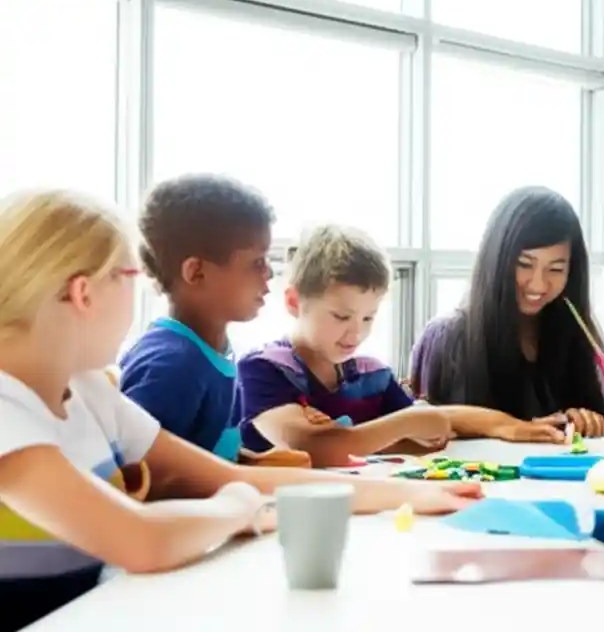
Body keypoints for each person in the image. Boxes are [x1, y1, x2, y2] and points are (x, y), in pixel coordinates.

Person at [0, 190, 481, 630]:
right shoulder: (7, 407)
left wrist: (408, 494)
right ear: (83, 293)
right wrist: (236, 511)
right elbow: (143, 541)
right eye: (132, 278)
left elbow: (231, 477)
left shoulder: (89, 392)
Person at [236, 225, 452, 467]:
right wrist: (406, 423)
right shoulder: (262, 368)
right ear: (294, 302)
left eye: (368, 318)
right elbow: (315, 449)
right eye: (341, 317)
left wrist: (350, 435)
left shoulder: (372, 374)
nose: (357, 333)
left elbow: (424, 437)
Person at [410, 187, 604, 440]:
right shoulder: (447, 338)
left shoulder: (577, 334)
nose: (538, 284)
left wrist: (586, 421)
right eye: (524, 264)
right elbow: (421, 432)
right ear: (497, 260)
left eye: (556, 269)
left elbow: (601, 424)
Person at [119, 175, 276, 461]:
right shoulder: (172, 366)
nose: (270, 273)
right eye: (257, 262)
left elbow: (202, 451)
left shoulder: (211, 350)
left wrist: (255, 462)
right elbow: (143, 469)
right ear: (196, 272)